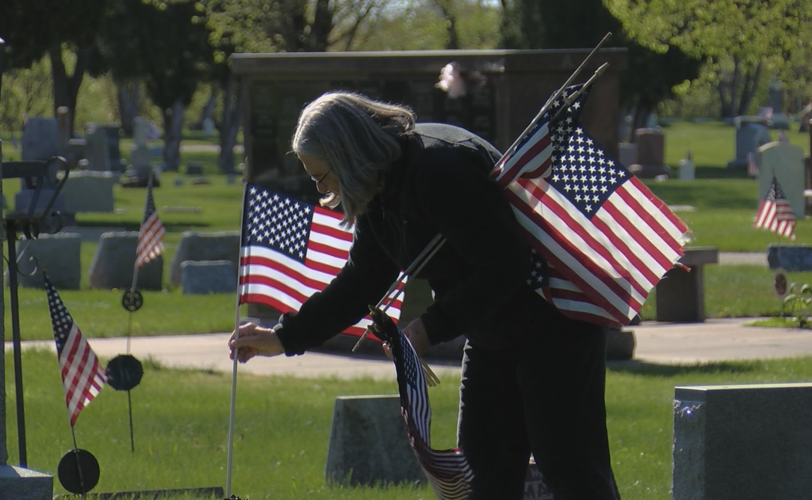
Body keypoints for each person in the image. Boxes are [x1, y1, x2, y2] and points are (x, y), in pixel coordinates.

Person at [229, 91, 619, 500]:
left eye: (320, 176)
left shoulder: (439, 168)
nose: (321, 187)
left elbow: (506, 264)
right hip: (490, 338)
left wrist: (427, 328)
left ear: (348, 156)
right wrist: (284, 337)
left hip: (554, 328)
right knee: (480, 483)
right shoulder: (378, 190)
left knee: (573, 474)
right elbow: (361, 282)